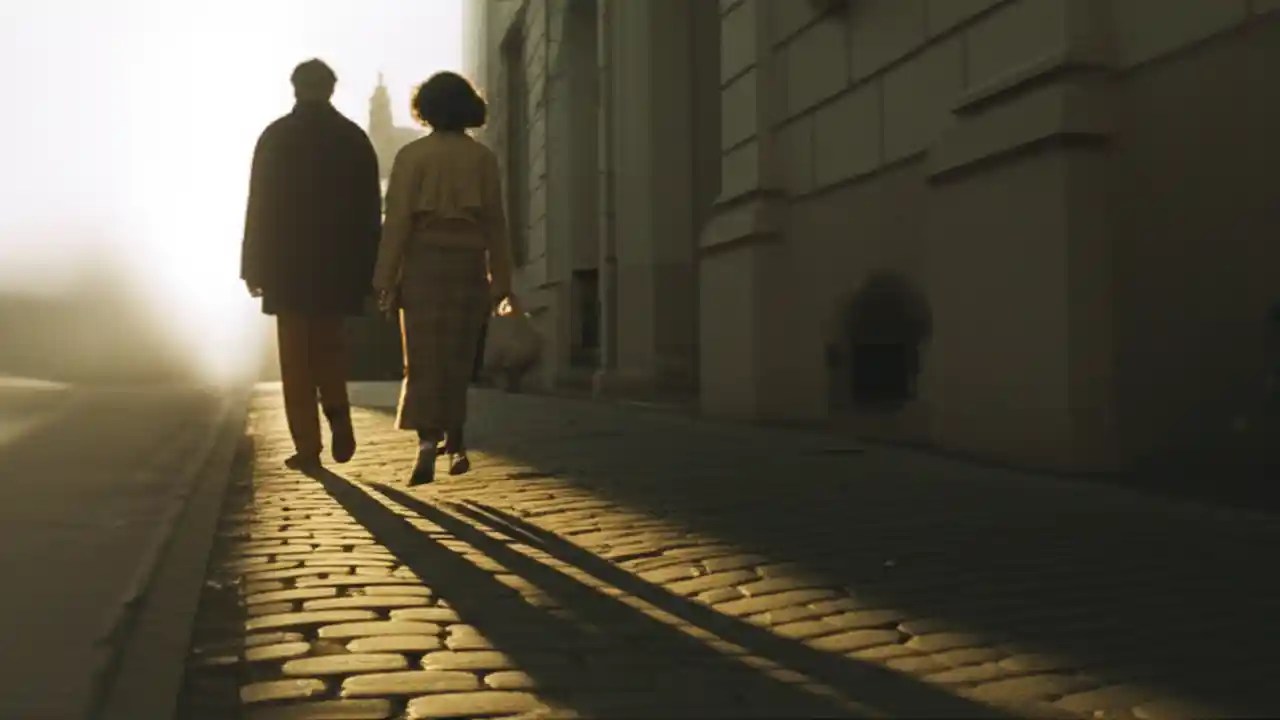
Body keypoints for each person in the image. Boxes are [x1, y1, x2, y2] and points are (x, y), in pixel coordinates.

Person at [241, 59, 383, 471]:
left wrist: (253, 266)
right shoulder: (354, 139)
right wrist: (369, 269)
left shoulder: (275, 137)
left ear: (295, 88)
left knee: (295, 358)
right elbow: (369, 211)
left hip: (287, 265)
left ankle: (308, 446)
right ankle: (337, 411)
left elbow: (259, 205)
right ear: (332, 89)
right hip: (338, 264)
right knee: (330, 346)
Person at [374, 71, 514, 486]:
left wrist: (385, 276)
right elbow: (496, 224)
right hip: (468, 264)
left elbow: (396, 221)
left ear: (426, 109)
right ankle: (456, 441)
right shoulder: (482, 159)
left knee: (421, 359)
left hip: (421, 264)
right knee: (458, 358)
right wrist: (501, 279)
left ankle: (424, 441)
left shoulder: (411, 156)